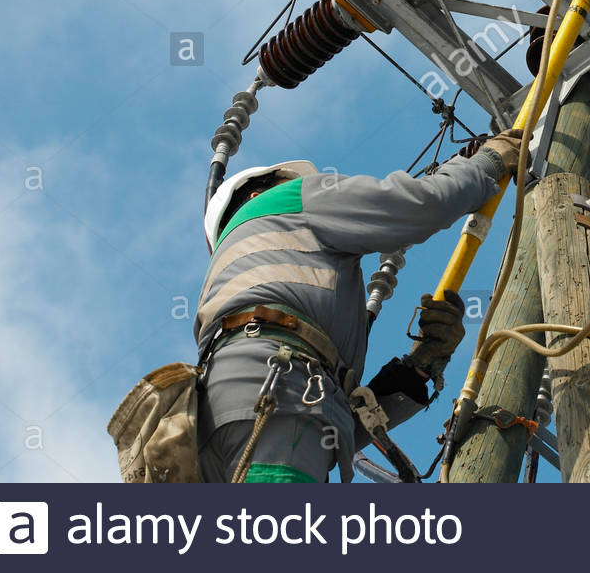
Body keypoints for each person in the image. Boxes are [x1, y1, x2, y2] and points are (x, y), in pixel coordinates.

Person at [192, 128, 523, 483]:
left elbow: (341, 419)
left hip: (226, 419)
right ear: (257, 193)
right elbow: (421, 205)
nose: (311, 185)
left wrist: (420, 365)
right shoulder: (282, 201)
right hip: (276, 393)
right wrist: (488, 162)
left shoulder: (238, 282)